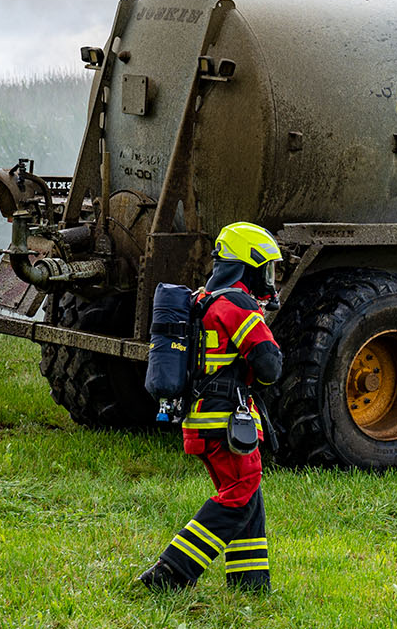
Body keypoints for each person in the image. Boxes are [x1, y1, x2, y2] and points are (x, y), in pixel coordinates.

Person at [140, 222, 284, 592]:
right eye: (265, 269)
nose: (268, 279)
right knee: (241, 490)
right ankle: (171, 572)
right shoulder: (236, 304)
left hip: (202, 419)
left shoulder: (206, 297)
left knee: (246, 494)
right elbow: (268, 366)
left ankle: (249, 583)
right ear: (248, 266)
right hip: (225, 422)